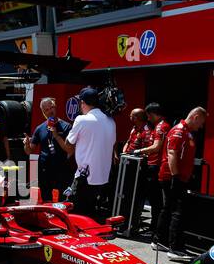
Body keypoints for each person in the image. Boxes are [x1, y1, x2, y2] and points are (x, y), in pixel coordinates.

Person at [155, 107, 207, 261]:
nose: (201, 126)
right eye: (201, 122)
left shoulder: (187, 132)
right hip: (172, 177)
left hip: (176, 176)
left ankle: (159, 241)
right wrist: (176, 177)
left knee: (168, 208)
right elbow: (172, 154)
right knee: (178, 211)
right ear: (196, 117)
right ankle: (174, 248)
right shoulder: (179, 131)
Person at [56, 88, 116, 219]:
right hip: (103, 178)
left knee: (77, 216)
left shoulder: (82, 119)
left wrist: (56, 135)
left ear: (82, 102)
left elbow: (68, 146)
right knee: (93, 215)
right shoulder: (111, 121)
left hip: (85, 177)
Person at [24, 97, 72, 204]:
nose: (50, 111)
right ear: (43, 113)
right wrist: (26, 145)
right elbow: (29, 151)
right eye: (46, 110)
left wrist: (56, 135)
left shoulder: (66, 127)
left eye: (52, 107)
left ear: (55, 107)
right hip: (44, 172)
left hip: (61, 171)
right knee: (45, 201)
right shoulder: (39, 128)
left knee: (62, 202)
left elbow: (70, 150)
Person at [121, 107, 156, 232]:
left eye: (131, 115)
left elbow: (146, 152)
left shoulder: (147, 131)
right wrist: (124, 152)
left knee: (135, 198)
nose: (129, 117)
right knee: (125, 196)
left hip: (138, 170)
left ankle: (133, 224)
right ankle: (123, 221)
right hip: (127, 165)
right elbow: (128, 142)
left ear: (136, 117)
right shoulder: (134, 128)